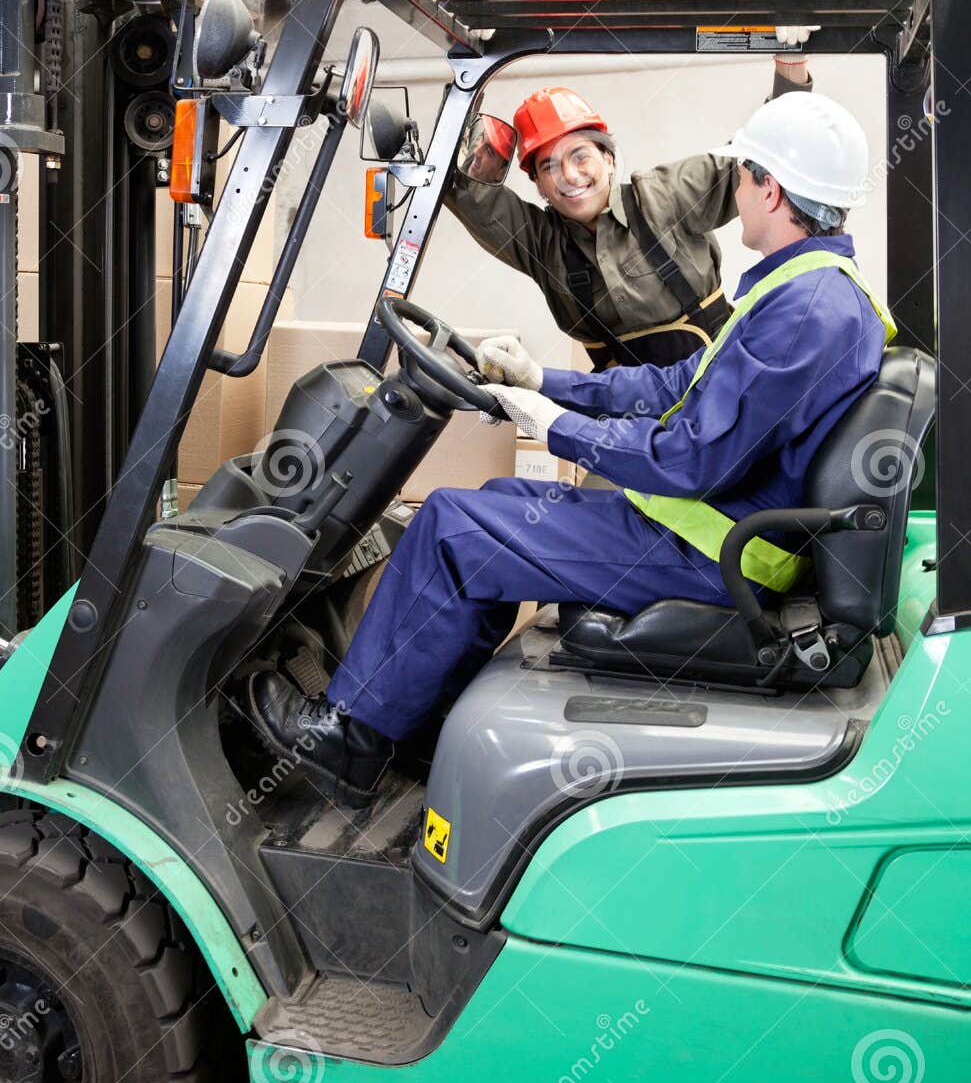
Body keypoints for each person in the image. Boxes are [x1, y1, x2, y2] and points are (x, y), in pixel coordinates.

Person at [243, 92, 890, 807]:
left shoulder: (802, 310)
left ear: (768, 188)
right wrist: (540, 380)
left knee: (450, 527)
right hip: (706, 524)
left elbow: (687, 459)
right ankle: (415, 718)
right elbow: (680, 381)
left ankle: (351, 740)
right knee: (493, 504)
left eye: (744, 176)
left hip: (706, 548)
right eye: (547, 166)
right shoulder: (807, 290)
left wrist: (552, 425)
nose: (734, 188)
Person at [445, 54, 812, 367]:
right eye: (549, 167)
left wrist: (790, 68)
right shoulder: (543, 243)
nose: (569, 176)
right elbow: (469, 194)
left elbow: (758, 156)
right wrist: (462, 89)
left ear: (607, 159)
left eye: (580, 156)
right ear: (538, 184)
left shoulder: (663, 195)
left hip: (718, 386)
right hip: (625, 418)